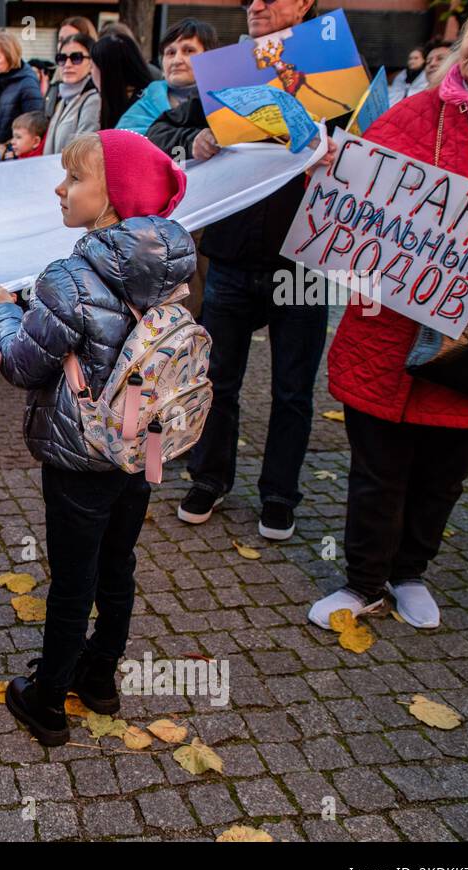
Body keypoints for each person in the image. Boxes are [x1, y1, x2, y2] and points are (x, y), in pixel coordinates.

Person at [312, 0, 468, 630]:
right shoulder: (410, 114)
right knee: (376, 470)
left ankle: (410, 573)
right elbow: (342, 216)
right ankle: (361, 583)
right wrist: (329, 180)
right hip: (385, 336)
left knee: (444, 474)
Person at [0, 131, 190, 746]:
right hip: (143, 444)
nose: (59, 188)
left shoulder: (70, 278)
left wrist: (1, 309)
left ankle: (47, 700)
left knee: (73, 578)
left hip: (83, 451)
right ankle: (100, 677)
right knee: (118, 563)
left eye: (74, 178)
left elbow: (22, 366)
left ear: (114, 197)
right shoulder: (179, 264)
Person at [149, 0, 329, 542]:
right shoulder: (225, 72)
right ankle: (210, 478)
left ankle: (279, 494)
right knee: (219, 381)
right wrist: (192, 142)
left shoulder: (334, 71)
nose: (256, 5)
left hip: (304, 260)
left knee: (293, 390)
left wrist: (340, 149)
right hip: (230, 254)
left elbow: (373, 148)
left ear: (304, 6)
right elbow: (160, 133)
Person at [117, 18, 218, 134]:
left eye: (188, 51)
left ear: (209, 58)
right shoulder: (145, 105)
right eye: (171, 53)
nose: (177, 60)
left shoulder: (227, 101)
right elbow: (120, 142)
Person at [0, 29, 44, 150]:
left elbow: (35, 129)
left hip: (16, 160)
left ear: (10, 55)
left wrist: (6, 149)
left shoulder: (27, 83)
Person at [43, 33, 101, 154]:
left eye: (76, 58)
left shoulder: (94, 100)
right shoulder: (62, 100)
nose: (67, 65)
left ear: (92, 62)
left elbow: (83, 155)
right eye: (62, 58)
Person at [91, 32, 154, 130]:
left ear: (107, 72)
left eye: (92, 67)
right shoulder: (145, 97)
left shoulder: (141, 111)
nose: (90, 73)